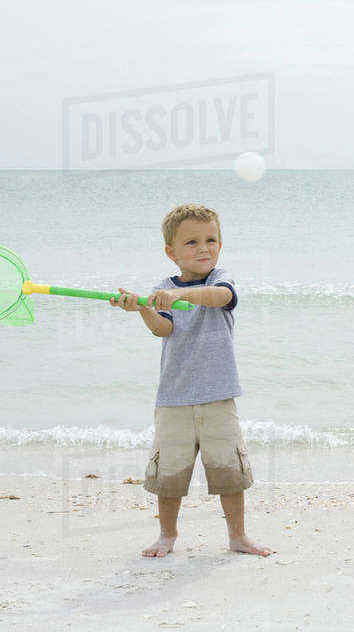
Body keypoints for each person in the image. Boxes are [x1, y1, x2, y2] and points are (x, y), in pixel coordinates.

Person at [110, 202, 272, 558]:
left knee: (229, 470)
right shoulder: (161, 288)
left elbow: (222, 298)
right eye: (192, 242)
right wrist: (143, 308)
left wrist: (180, 295)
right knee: (170, 474)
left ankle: (238, 536)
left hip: (218, 395)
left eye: (211, 240)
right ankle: (167, 535)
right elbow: (163, 329)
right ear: (172, 252)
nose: (204, 248)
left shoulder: (219, 279)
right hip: (175, 398)